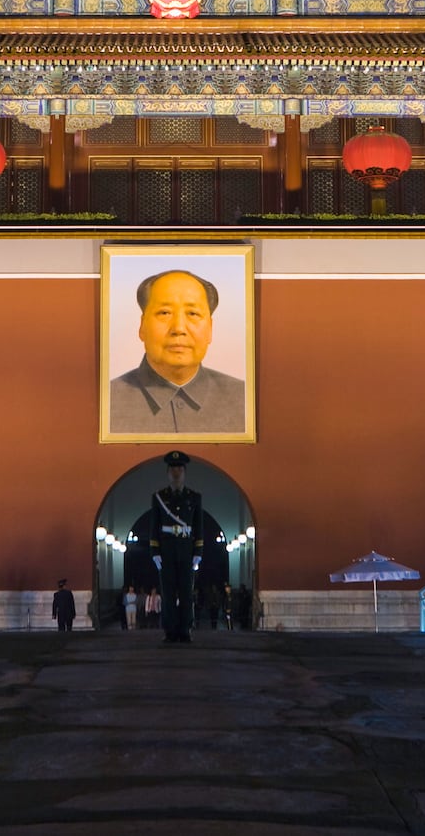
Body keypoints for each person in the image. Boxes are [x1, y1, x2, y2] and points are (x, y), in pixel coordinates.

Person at [108, 271, 246, 434]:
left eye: (193, 314)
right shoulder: (108, 400)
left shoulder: (243, 398)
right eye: (164, 313)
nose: (179, 328)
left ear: (210, 329)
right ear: (142, 326)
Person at [148, 450, 206, 642]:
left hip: (186, 549)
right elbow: (154, 526)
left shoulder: (194, 497)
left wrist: (198, 551)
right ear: (168, 472)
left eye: (179, 469)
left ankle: (185, 629)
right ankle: (170, 630)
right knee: (168, 591)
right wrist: (155, 551)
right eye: (173, 469)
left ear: (184, 472)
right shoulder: (159, 497)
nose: (176, 472)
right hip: (166, 549)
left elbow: (198, 526)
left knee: (186, 591)